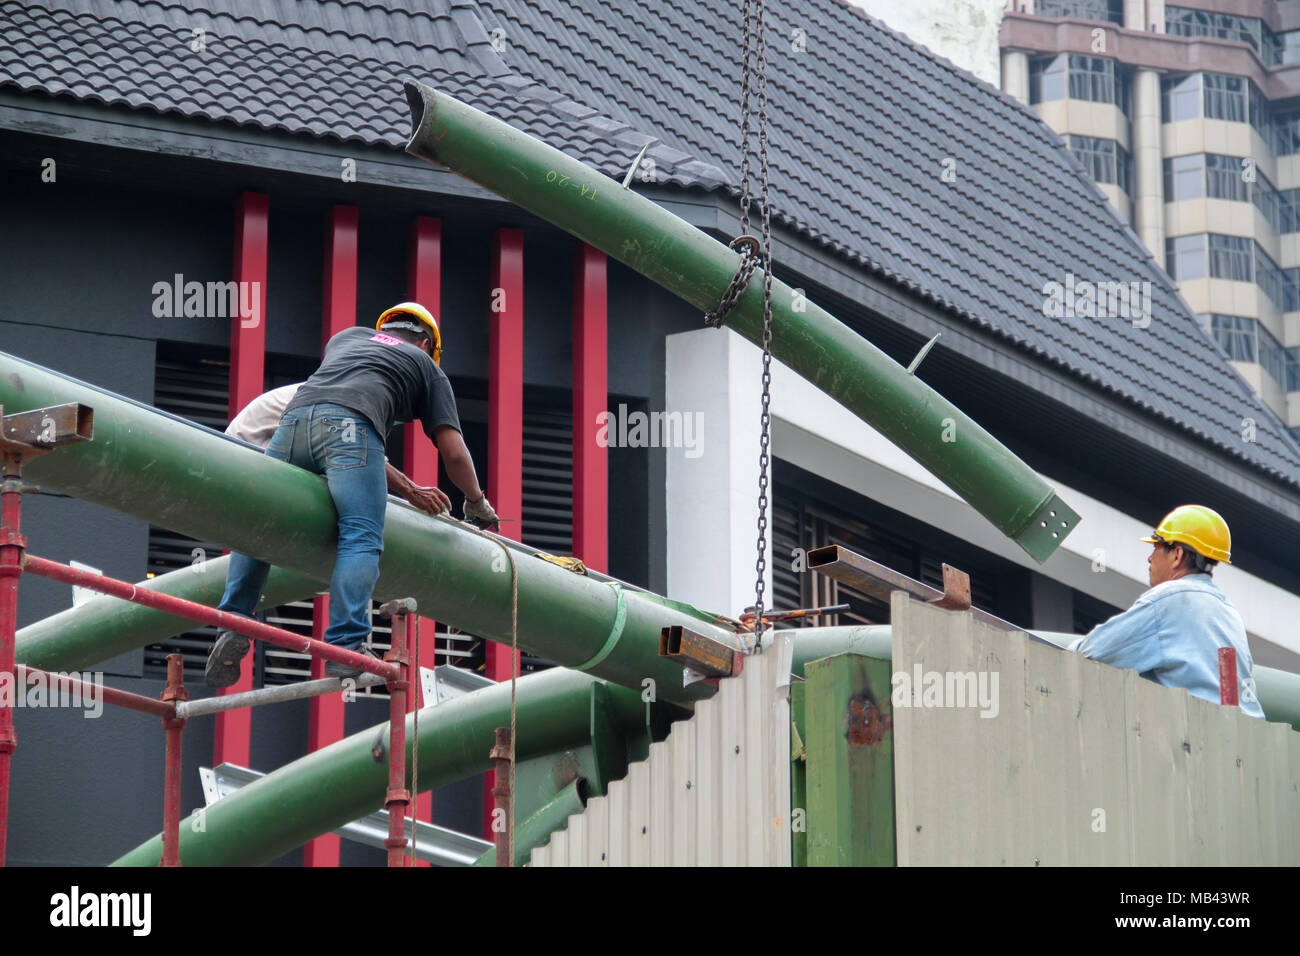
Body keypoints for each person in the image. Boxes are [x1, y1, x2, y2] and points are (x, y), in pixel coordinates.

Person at [204, 302, 498, 687]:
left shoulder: (346, 338)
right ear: (426, 343)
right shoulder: (428, 368)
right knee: (359, 534)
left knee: (261, 526)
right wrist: (476, 502)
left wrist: (405, 487)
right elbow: (454, 453)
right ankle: (346, 644)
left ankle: (232, 624)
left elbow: (331, 404)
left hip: (293, 424)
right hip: (350, 429)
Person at [1068, 505, 1264, 719]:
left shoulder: (1170, 599)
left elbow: (1092, 653)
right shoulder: (1229, 612)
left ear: (1177, 555)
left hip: (1199, 734)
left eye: (1157, 547)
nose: (1150, 558)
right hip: (1243, 739)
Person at [226, 381, 451, 516]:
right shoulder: (341, 399)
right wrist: (411, 491)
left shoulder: (332, 391)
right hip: (246, 458)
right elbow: (363, 452)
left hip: (263, 461)